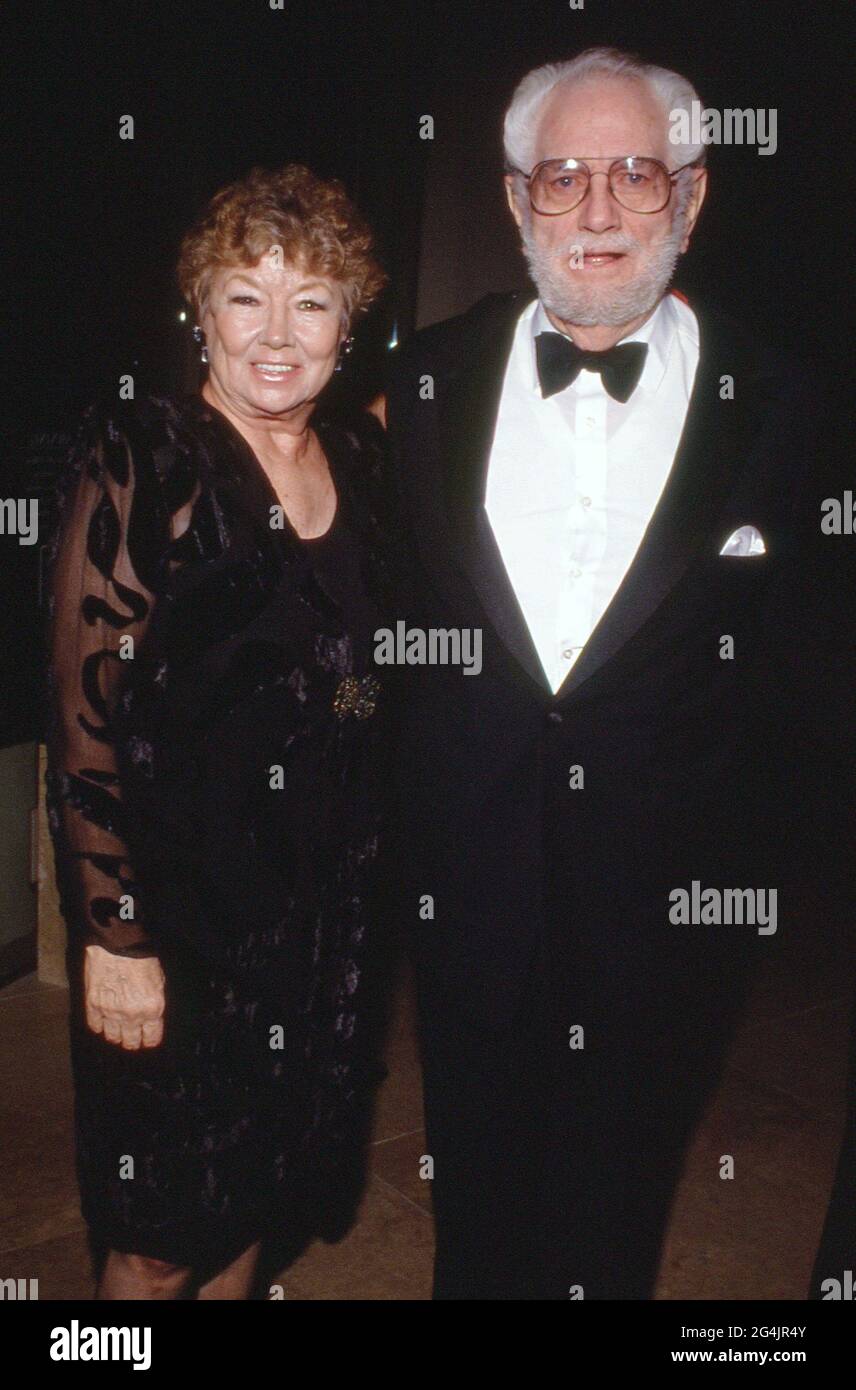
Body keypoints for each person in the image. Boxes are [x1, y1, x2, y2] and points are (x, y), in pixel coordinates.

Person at [383, 47, 853, 1298]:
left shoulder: (791, 406)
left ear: (690, 198)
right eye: (564, 177)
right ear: (513, 202)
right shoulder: (417, 385)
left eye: (635, 175)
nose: (596, 210)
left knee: (611, 1230)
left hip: (665, 922)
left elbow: (805, 665)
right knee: (473, 1230)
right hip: (467, 902)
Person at [44, 164, 401, 1299]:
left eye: (313, 301)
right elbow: (84, 714)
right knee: (156, 1235)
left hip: (316, 925)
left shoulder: (361, 460)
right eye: (247, 295)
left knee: (265, 1191)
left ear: (350, 325)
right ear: (201, 311)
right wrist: (116, 934)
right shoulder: (141, 455)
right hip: (178, 922)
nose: (278, 333)